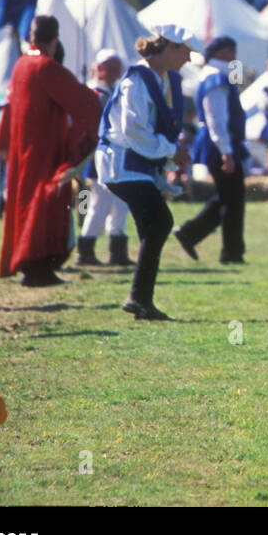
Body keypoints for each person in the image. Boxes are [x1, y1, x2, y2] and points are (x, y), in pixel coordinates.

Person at [95, 26, 195, 319]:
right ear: (169, 47)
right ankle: (138, 298)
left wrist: (170, 152)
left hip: (135, 165)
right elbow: (132, 129)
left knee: (156, 224)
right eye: (186, 51)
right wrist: (169, 150)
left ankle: (139, 299)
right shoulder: (137, 81)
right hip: (123, 164)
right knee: (159, 222)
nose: (188, 59)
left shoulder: (158, 78)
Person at [0, 15, 101, 287]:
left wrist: (4, 143)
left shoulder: (21, 64)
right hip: (45, 149)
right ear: (55, 40)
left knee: (26, 202)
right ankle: (37, 266)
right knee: (46, 201)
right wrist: (74, 150)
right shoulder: (46, 67)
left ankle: (32, 264)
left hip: (23, 149)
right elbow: (88, 104)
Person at [174, 36, 248, 264]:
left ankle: (191, 233)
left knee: (229, 196)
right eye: (231, 50)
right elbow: (217, 118)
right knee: (233, 199)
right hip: (219, 144)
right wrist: (226, 151)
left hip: (217, 143)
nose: (234, 55)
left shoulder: (213, 76)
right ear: (222, 52)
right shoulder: (216, 78)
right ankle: (230, 251)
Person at [77, 49, 132, 267]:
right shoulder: (94, 95)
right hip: (99, 157)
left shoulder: (115, 92)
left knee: (120, 204)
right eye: (108, 67)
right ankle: (86, 249)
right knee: (100, 204)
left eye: (115, 67)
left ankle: (117, 250)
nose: (113, 72)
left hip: (118, 156)